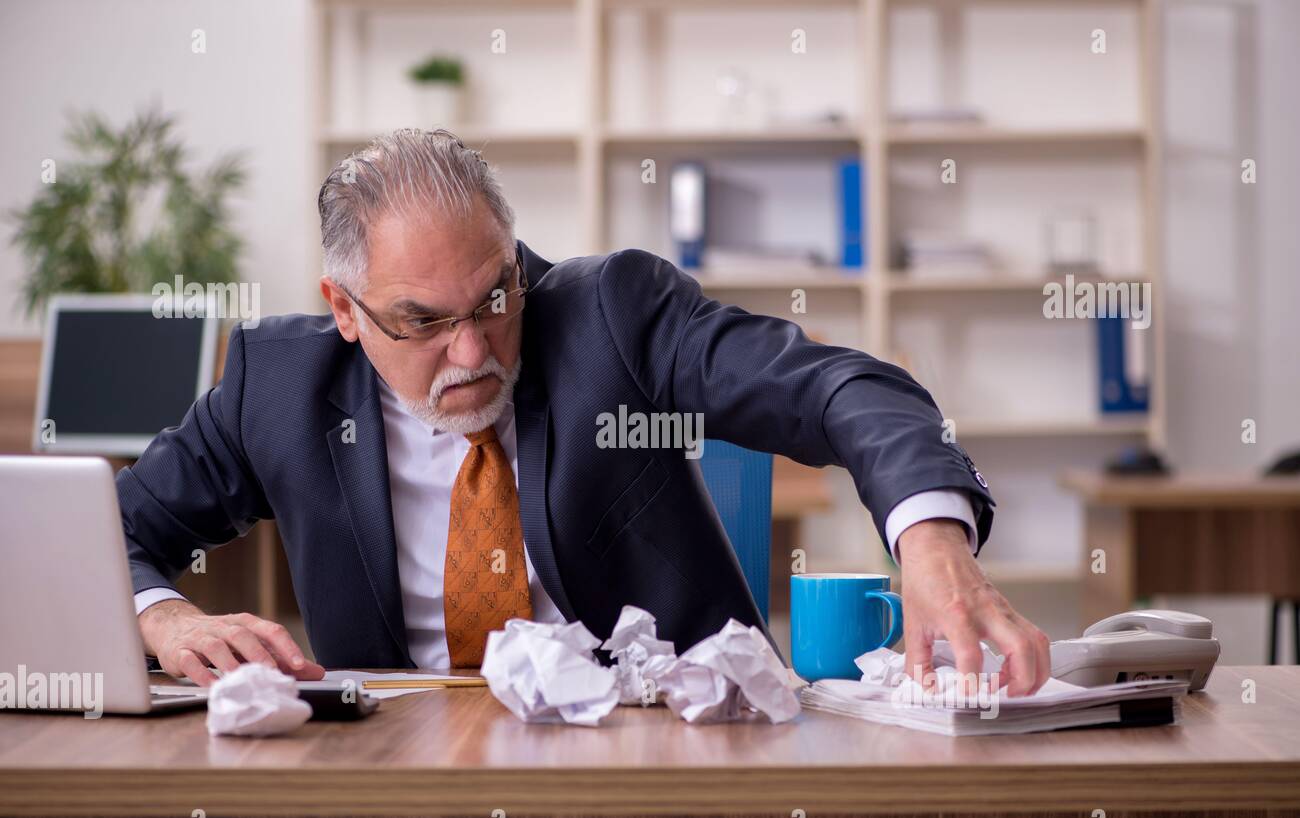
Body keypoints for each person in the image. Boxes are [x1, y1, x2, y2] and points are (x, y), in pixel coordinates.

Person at [119, 128, 1049, 695]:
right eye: (425, 322)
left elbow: (842, 387)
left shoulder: (612, 315)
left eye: (493, 296)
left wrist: (931, 542)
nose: (475, 352)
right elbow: (106, 533)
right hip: (411, 782)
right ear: (343, 311)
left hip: (668, 774)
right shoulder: (275, 385)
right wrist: (164, 620)